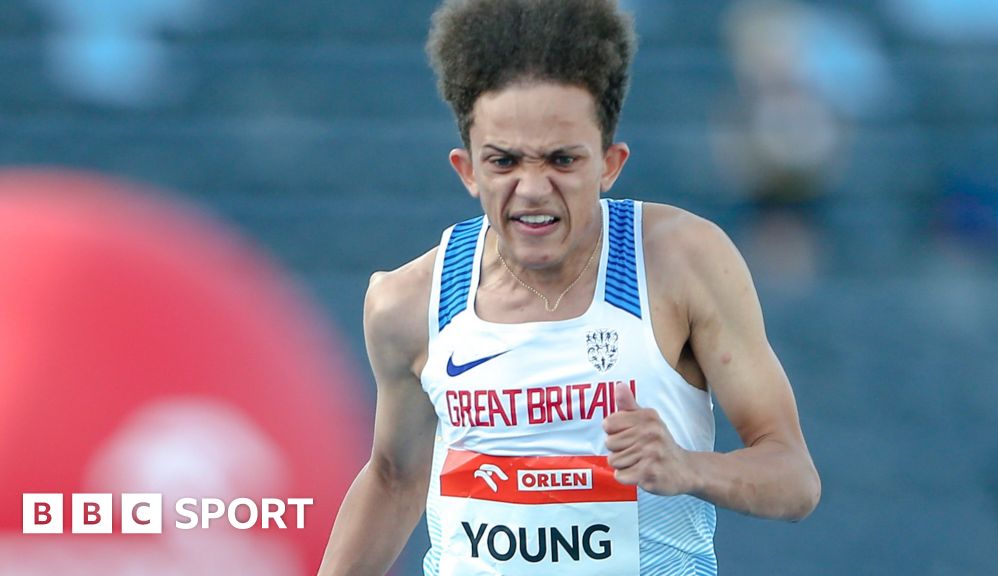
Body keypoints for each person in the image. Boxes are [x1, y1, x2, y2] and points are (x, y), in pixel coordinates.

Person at [317, 0, 820, 574]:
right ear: (467, 170)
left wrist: (688, 468)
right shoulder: (406, 303)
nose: (532, 189)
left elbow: (793, 479)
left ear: (610, 163)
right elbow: (394, 477)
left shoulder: (682, 261)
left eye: (562, 159)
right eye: (504, 162)